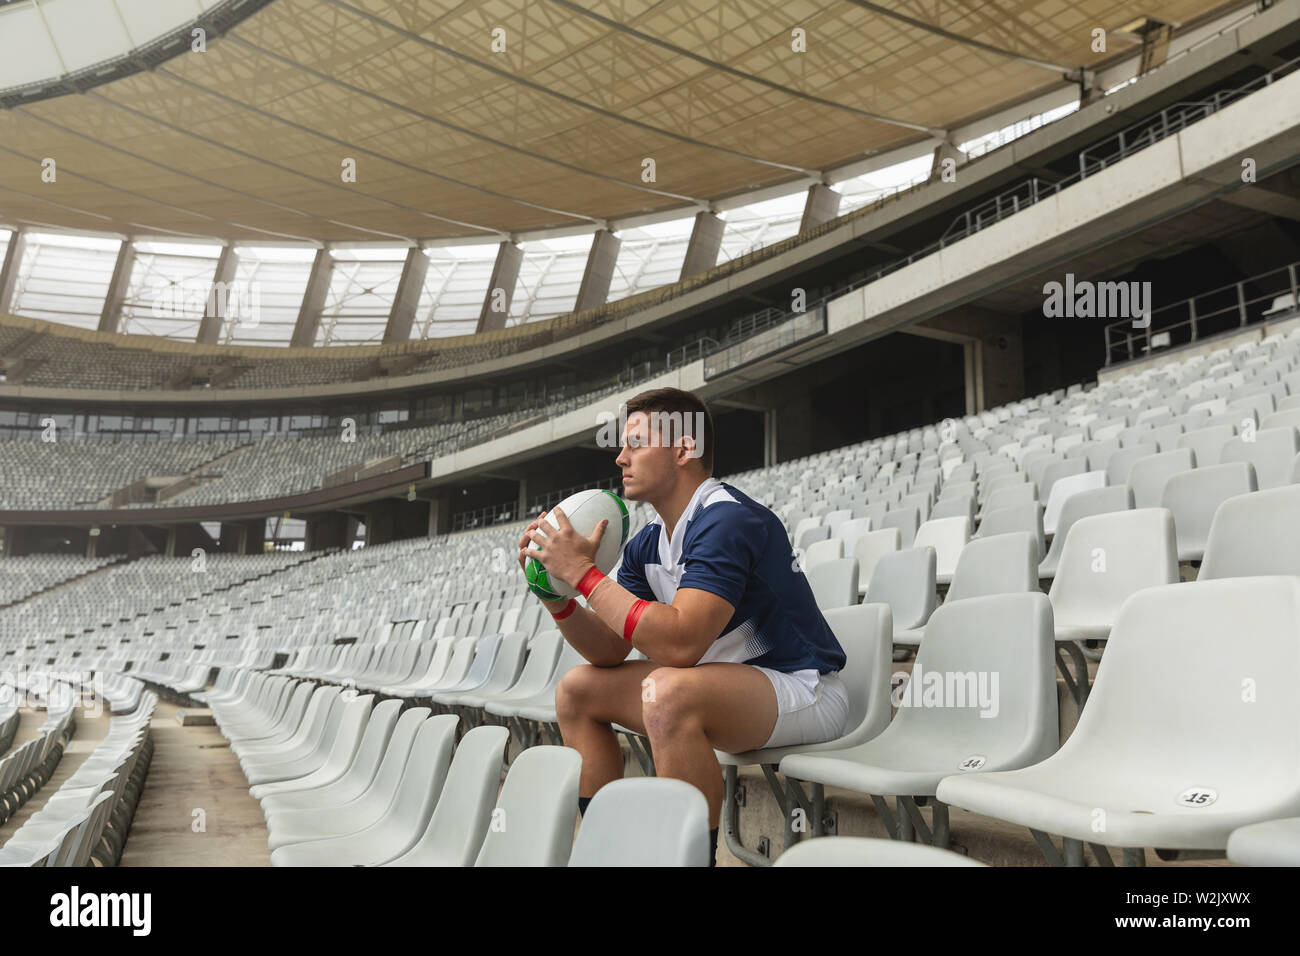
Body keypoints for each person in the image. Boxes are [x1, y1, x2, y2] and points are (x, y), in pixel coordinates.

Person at [517, 387, 848, 865]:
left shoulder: (727, 519)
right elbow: (611, 649)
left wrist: (584, 576)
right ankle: (605, 852)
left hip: (801, 686)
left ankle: (689, 860)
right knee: (577, 690)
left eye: (636, 443)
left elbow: (681, 643)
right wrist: (557, 597)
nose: (620, 456)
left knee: (667, 692)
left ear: (684, 449)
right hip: (720, 686)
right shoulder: (648, 541)